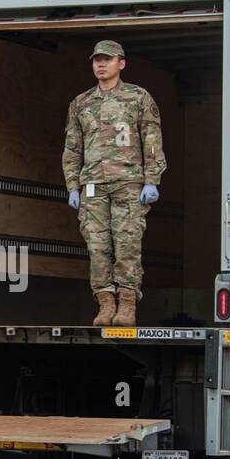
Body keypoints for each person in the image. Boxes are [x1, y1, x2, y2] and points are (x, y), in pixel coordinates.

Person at [62, 40, 166, 328]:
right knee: (97, 247)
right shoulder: (81, 102)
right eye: (96, 60)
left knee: (127, 244)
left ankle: (127, 304)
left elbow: (152, 140)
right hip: (93, 185)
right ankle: (105, 303)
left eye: (107, 59)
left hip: (129, 184)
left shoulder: (137, 97)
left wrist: (152, 180)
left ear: (121, 63)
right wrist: (73, 185)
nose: (101, 64)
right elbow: (73, 147)